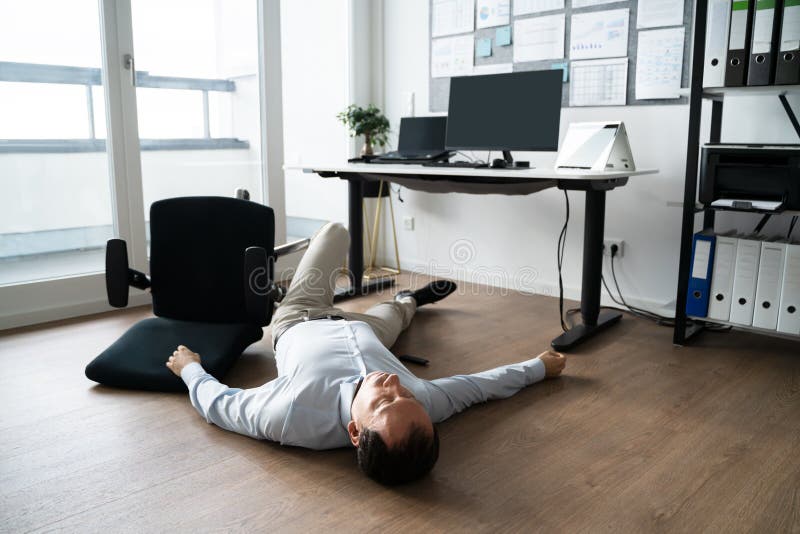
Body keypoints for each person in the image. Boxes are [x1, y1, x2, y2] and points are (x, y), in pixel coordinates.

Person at [167, 222, 566, 485]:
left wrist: (190, 370)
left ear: (355, 432)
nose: (396, 384)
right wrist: (537, 368)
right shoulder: (422, 404)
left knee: (333, 234)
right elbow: (478, 386)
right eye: (407, 395)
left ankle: (288, 292)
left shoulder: (290, 416)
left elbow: (220, 405)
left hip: (300, 315)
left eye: (387, 401)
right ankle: (412, 298)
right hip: (370, 334)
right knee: (394, 310)